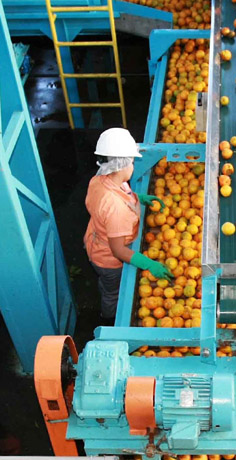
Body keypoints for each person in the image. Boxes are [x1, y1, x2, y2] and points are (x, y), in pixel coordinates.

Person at [84, 128, 172, 325]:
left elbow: (115, 197)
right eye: (132, 162)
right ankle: (108, 318)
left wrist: (138, 198)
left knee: (106, 283)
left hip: (95, 239)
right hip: (108, 259)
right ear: (121, 165)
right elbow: (118, 250)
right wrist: (149, 264)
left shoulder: (99, 180)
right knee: (112, 291)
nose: (133, 165)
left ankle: (104, 286)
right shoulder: (116, 208)